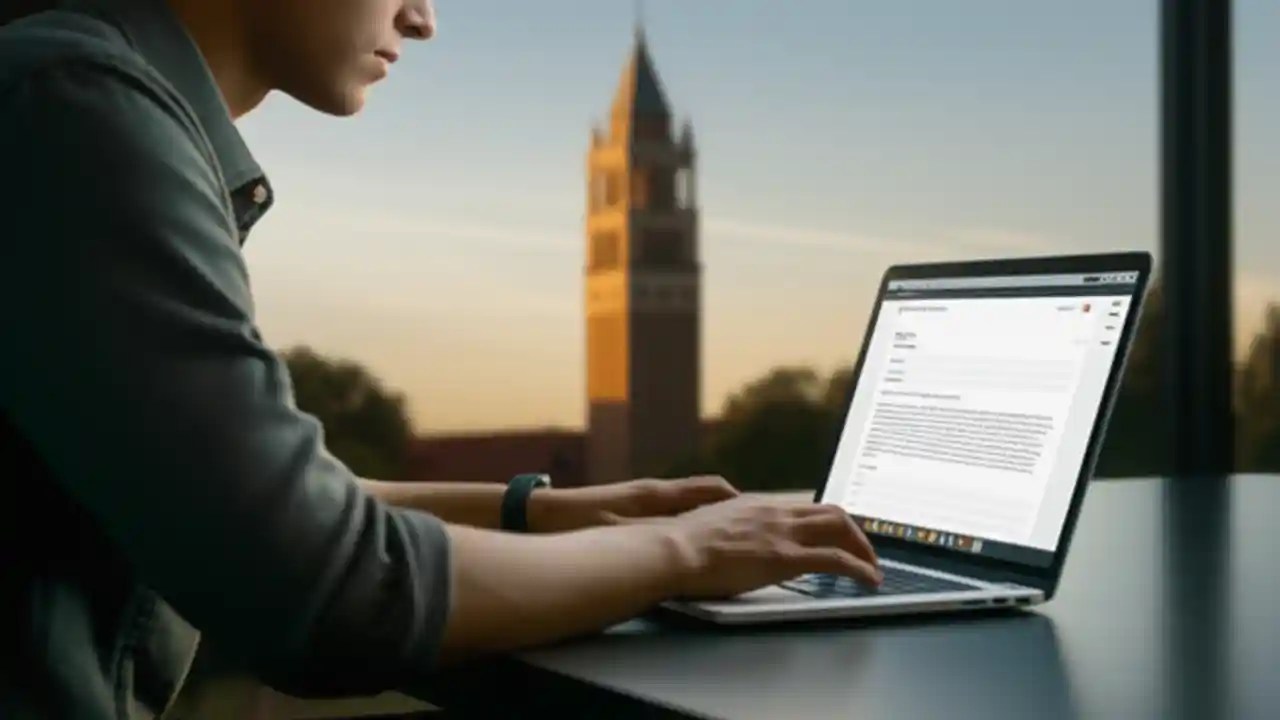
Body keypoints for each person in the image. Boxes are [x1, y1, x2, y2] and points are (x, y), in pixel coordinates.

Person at [0, 1, 882, 717]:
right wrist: (680, 551)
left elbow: (261, 503)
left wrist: (545, 516)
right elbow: (325, 589)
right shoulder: (78, 109)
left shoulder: (80, 93)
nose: (423, 18)